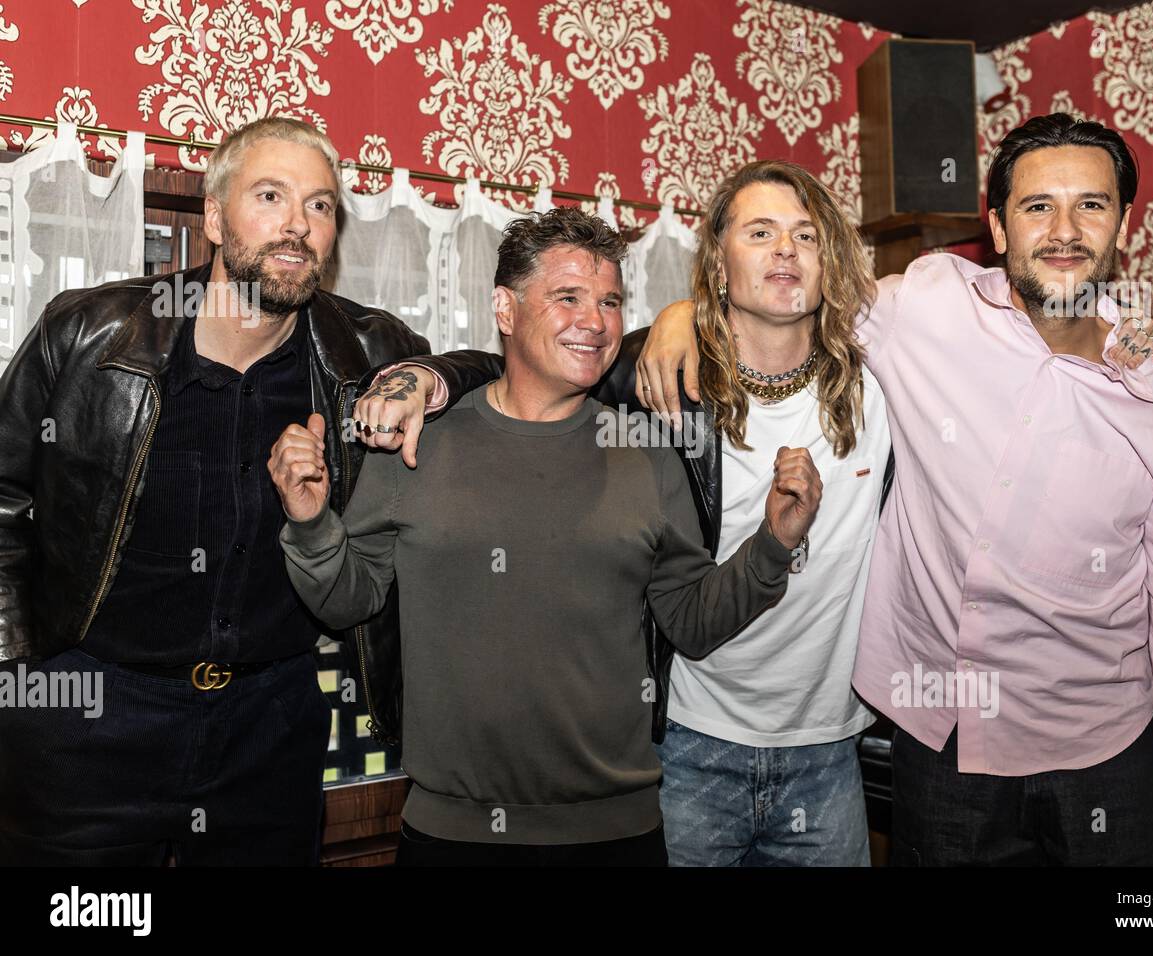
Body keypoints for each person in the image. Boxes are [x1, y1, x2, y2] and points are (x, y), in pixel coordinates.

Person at [640, 114, 1153, 867]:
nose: (1064, 230)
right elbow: (787, 294)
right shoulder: (923, 308)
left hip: (1107, 756)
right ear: (996, 226)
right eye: (1036, 207)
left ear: (1123, 221)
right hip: (943, 744)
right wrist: (681, 316)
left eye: (1090, 204)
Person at [0, 116, 492, 865]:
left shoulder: (367, 350)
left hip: (273, 724)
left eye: (321, 205)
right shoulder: (92, 333)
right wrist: (20, 673)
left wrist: (431, 376)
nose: (298, 224)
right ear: (215, 216)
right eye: (271, 196)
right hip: (90, 722)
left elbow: (504, 372)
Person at [274, 207, 822, 867]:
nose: (595, 321)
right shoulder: (416, 438)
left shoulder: (646, 449)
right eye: (568, 298)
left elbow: (693, 620)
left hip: (619, 835)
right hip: (451, 834)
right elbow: (346, 601)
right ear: (505, 309)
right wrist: (310, 522)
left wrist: (773, 542)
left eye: (611, 301)